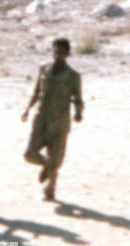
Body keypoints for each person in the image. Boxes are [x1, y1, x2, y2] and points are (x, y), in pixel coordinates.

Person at [22, 37, 84, 202]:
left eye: (61, 52)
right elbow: (36, 92)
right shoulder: (44, 70)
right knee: (29, 154)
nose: (58, 55)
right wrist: (27, 109)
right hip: (41, 118)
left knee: (55, 158)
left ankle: (50, 189)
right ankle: (47, 166)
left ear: (67, 54)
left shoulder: (73, 76)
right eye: (56, 51)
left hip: (60, 122)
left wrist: (78, 112)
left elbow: (78, 99)